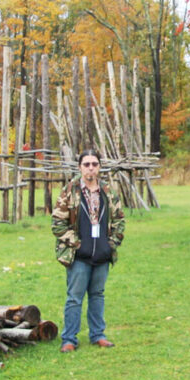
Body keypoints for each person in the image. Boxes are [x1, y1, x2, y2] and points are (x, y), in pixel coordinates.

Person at [52, 150, 125, 351]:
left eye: (94, 163)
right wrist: (77, 244)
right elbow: (57, 224)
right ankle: (69, 339)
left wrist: (111, 244)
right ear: (80, 167)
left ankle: (98, 335)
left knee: (97, 295)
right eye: (86, 164)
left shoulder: (108, 191)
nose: (91, 167)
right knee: (74, 297)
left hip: (102, 254)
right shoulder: (70, 191)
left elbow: (119, 219)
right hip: (79, 256)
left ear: (99, 167)